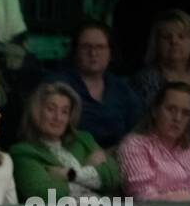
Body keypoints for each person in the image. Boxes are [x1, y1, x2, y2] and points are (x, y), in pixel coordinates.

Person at [10, 81, 121, 204]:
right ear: (36, 111)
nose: (58, 118)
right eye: (51, 109)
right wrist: (90, 175)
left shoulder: (83, 139)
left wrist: (70, 175)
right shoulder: (23, 152)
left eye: (64, 112)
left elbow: (113, 176)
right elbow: (42, 193)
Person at [131, 10, 190, 147]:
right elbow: (150, 125)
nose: (174, 41)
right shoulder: (146, 80)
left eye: (182, 37)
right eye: (166, 37)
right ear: (156, 43)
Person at [118, 80, 190, 202]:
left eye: (185, 113)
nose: (177, 118)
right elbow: (144, 197)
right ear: (155, 111)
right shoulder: (134, 145)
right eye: (171, 109)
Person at [46, 20, 143, 151]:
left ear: (110, 52)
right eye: (86, 47)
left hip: (117, 159)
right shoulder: (58, 84)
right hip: (70, 158)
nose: (93, 53)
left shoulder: (122, 89)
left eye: (100, 47)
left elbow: (139, 129)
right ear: (75, 51)